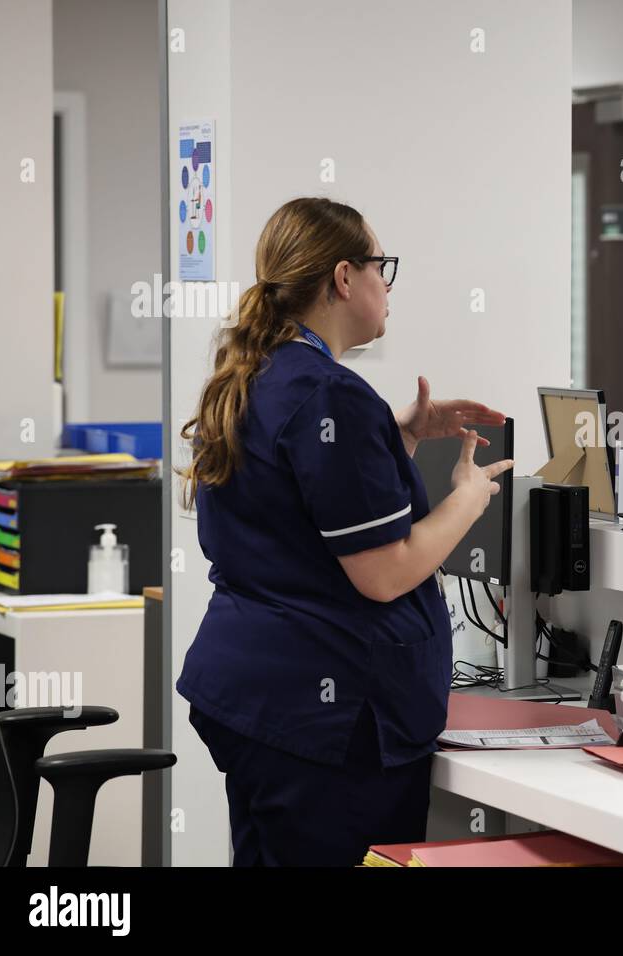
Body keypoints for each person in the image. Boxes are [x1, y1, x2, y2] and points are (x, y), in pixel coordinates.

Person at [176, 197, 512, 865]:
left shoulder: (263, 373)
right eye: (380, 266)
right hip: (327, 719)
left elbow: (297, 509)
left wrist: (398, 435)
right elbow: (383, 572)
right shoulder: (333, 395)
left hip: (260, 699)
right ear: (342, 277)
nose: (388, 285)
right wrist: (470, 499)